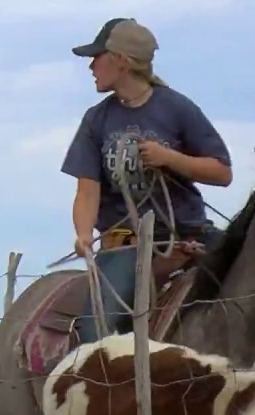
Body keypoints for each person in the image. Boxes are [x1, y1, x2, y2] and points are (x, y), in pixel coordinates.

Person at [60, 18, 233, 343]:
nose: (91, 66)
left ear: (121, 61)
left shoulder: (177, 108)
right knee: (97, 329)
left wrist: (170, 158)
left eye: (97, 57)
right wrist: (83, 233)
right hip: (127, 244)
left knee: (254, 280)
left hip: (189, 234)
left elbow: (222, 172)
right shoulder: (96, 119)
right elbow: (87, 190)